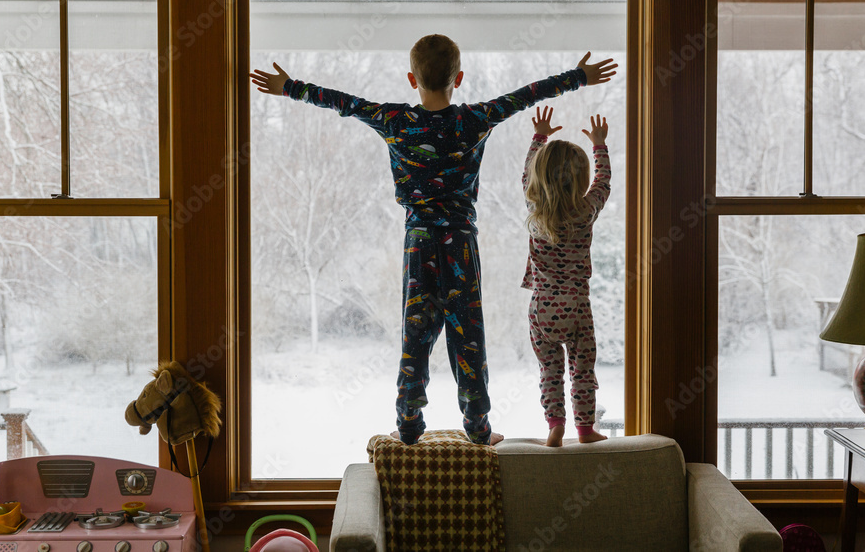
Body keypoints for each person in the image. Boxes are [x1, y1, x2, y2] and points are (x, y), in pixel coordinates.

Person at [250, 34, 617, 445]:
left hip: (419, 243)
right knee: (468, 339)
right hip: (460, 243)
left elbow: (344, 103)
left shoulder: (395, 121)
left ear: (412, 79)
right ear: (458, 78)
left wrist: (290, 88)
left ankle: (408, 426)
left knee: (416, 336)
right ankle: (478, 429)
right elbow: (524, 97)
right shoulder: (474, 120)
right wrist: (578, 78)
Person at [522, 105, 611, 447]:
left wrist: (539, 137)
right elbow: (603, 183)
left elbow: (526, 177)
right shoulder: (586, 212)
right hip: (576, 307)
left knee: (550, 371)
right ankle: (586, 430)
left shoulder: (536, 211)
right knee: (582, 372)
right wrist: (599, 146)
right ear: (581, 180)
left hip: (542, 306)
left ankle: (555, 426)